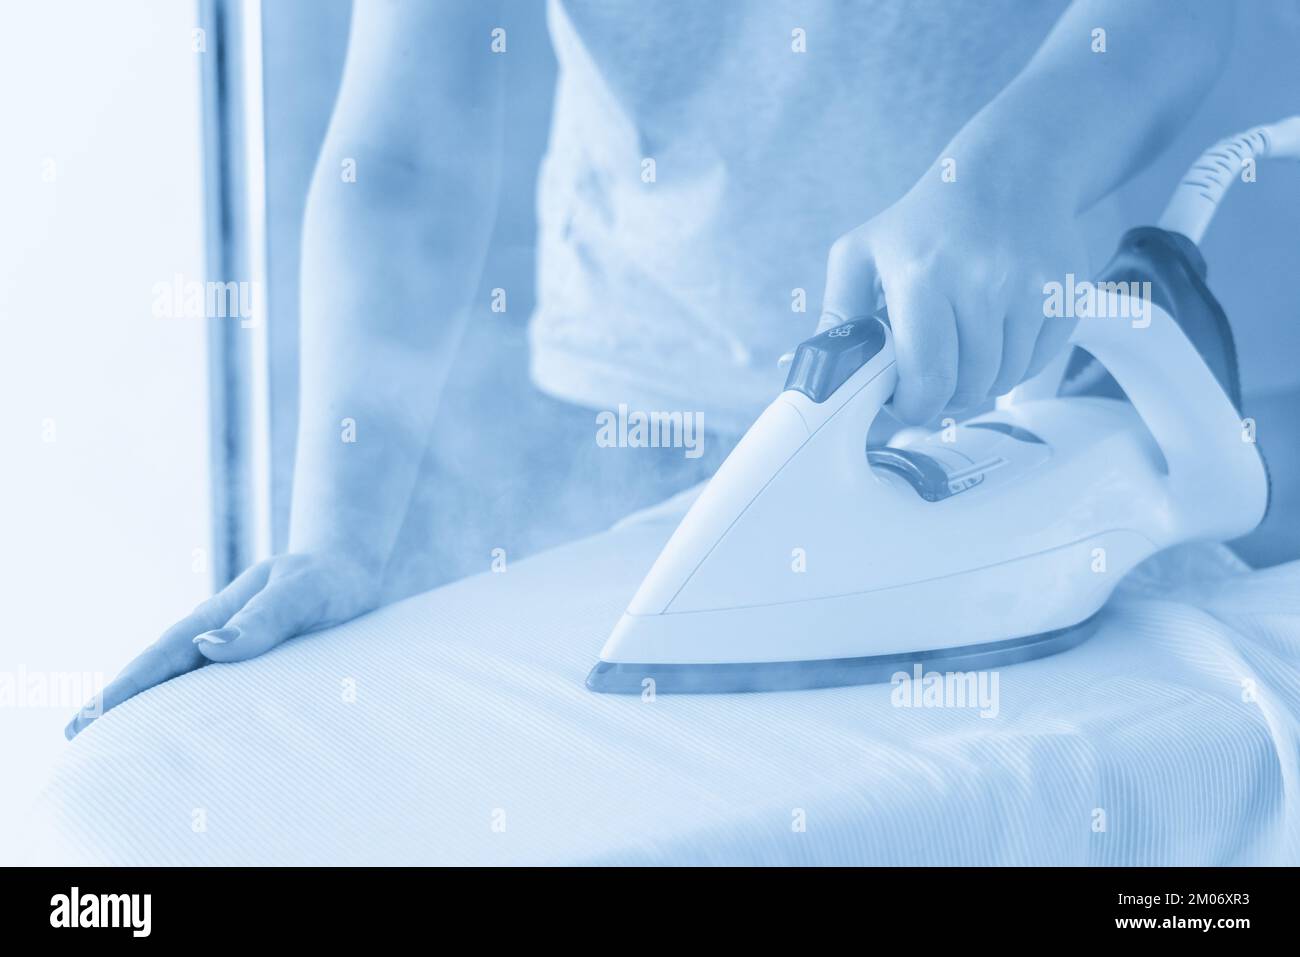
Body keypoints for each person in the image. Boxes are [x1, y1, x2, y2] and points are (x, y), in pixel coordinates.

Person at [67, 0, 1238, 738]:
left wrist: (1009, 171)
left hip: (1006, 369)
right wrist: (335, 542)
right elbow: (408, 158)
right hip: (612, 413)